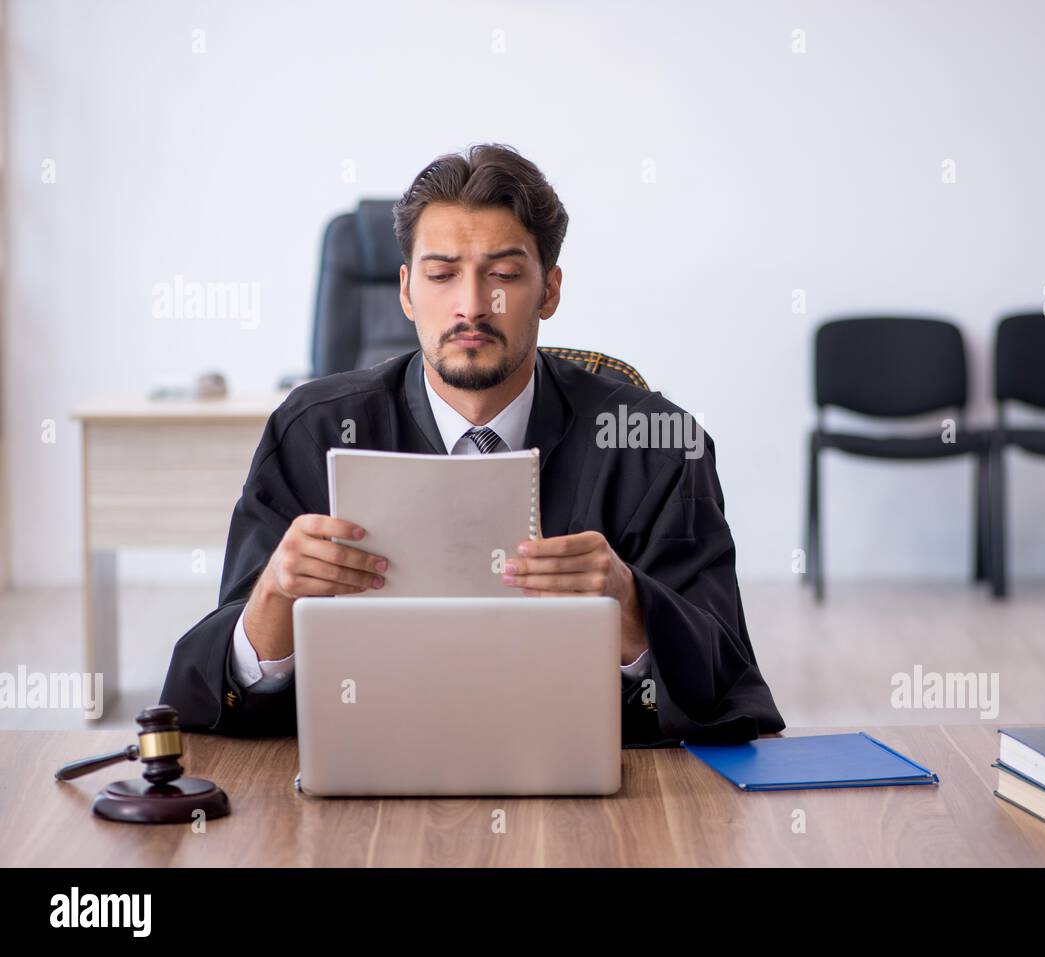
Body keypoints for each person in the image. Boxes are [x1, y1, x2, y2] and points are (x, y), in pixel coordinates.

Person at [160, 143, 784, 747]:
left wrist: (631, 607)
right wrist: (274, 596)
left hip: (593, 796)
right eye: (441, 275)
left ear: (550, 291)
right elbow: (205, 692)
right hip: (366, 776)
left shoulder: (659, 446)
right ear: (405, 291)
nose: (471, 306)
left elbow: (727, 686)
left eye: (505, 275)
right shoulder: (311, 431)